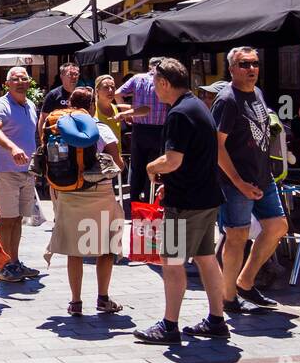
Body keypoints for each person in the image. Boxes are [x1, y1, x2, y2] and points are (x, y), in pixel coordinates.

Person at [134, 58, 228, 345]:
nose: (153, 89)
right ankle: (216, 320)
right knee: (205, 258)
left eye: (154, 83)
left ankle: (169, 325)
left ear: (164, 83)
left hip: (186, 202)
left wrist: (151, 168)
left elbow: (172, 160)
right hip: (205, 196)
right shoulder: (198, 105)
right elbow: (194, 158)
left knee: (171, 261)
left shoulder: (178, 114)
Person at [213, 47, 288, 314]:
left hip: (262, 177)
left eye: (255, 63)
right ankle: (228, 297)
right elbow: (217, 147)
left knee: (278, 226)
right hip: (235, 182)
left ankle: (245, 281)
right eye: (245, 64)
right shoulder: (226, 101)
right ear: (232, 68)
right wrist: (238, 182)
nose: (252, 69)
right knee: (237, 236)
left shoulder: (257, 93)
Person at [43, 87, 125, 315]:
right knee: (107, 247)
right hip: (100, 193)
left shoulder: (58, 127)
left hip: (69, 192)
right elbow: (118, 165)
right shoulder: (101, 129)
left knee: (74, 250)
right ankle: (103, 298)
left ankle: (76, 302)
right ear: (91, 106)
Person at [0, 66, 42, 281]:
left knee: (17, 219)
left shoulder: (30, 105)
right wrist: (12, 148)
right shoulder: (1, 105)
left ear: (29, 82)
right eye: (15, 79)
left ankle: (14, 262)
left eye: (23, 78)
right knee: (7, 219)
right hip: (6, 171)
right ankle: (2, 266)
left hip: (26, 171)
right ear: (7, 83)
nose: (20, 82)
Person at [117, 56, 170, 206]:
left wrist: (127, 113)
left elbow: (117, 94)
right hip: (160, 129)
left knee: (137, 165)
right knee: (153, 165)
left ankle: (134, 200)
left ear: (149, 66)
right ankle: (149, 200)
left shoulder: (138, 78)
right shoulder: (164, 80)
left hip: (140, 129)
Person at [93, 74, 129, 142]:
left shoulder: (117, 108)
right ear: (97, 91)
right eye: (106, 87)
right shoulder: (92, 110)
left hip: (117, 152)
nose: (110, 90)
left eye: (112, 87)